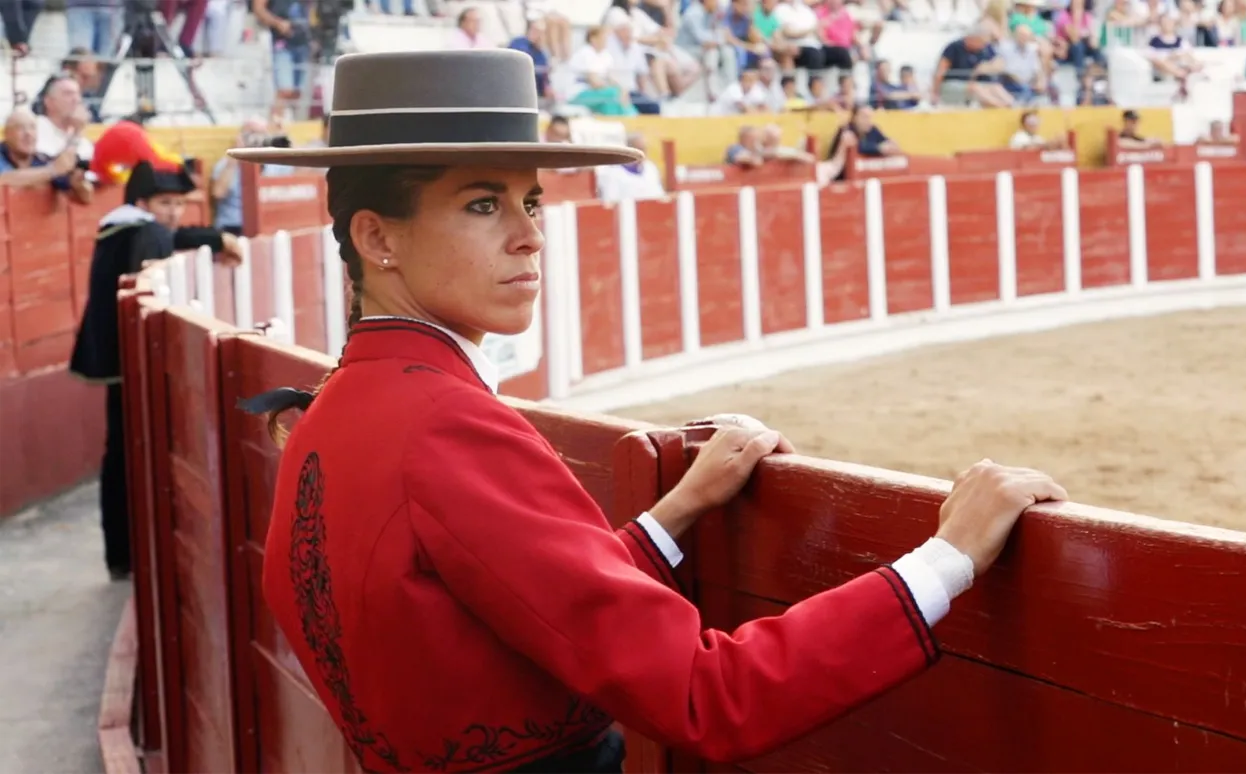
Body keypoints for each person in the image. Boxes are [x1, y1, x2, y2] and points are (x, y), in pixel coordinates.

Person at [229, 49, 1067, 772]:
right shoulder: (448, 423)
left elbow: (514, 606)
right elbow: (709, 695)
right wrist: (948, 557)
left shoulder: (336, 408)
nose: (527, 235)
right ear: (378, 238)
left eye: (531, 202)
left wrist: (677, 511)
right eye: (482, 204)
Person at [69, 161, 243, 581]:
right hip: (126, 361)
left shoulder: (129, 226)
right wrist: (217, 236)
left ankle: (122, 555)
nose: (173, 212)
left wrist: (215, 236)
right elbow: (164, 237)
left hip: (116, 357)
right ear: (143, 202)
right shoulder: (140, 228)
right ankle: (125, 554)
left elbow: (171, 235)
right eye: (166, 203)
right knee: (127, 452)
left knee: (124, 451)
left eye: (179, 204)